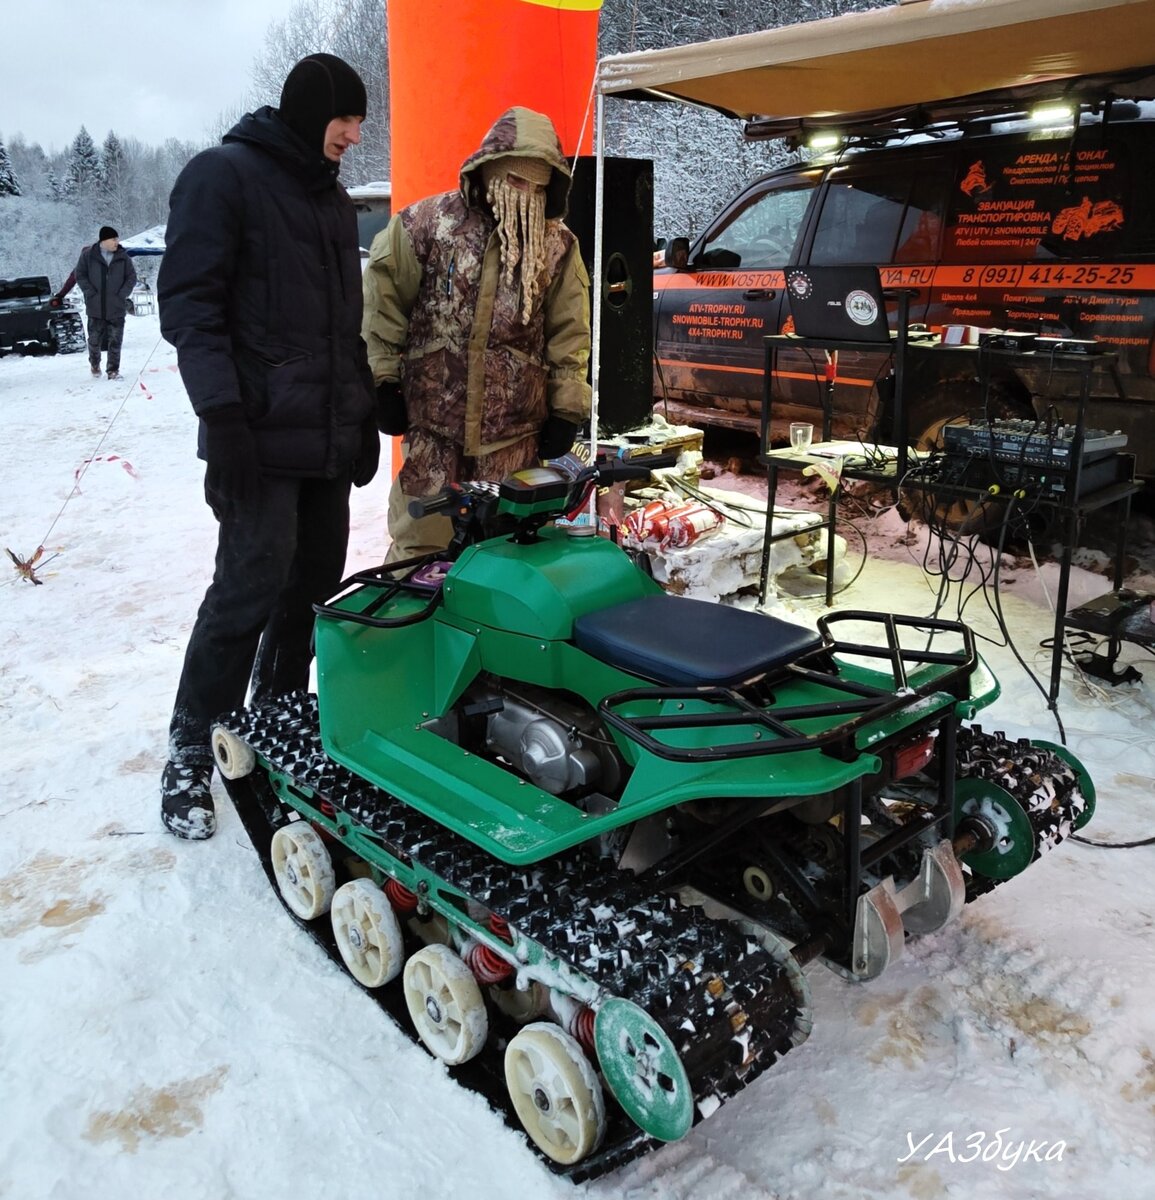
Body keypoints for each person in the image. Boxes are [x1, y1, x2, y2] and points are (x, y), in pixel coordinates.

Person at [156, 53, 379, 840]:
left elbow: (339, 330)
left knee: (312, 588)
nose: (355, 133)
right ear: (310, 108)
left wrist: (360, 415)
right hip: (253, 436)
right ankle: (190, 743)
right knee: (246, 588)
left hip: (322, 436)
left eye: (358, 120)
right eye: (345, 117)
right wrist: (221, 420)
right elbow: (191, 309)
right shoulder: (224, 176)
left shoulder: (331, 201)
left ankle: (277, 717)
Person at [362, 106, 592, 560]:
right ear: (489, 170)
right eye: (516, 181)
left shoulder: (557, 245)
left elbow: (571, 333)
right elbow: (382, 308)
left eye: (538, 185)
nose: (526, 194)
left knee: (506, 562)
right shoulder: (425, 225)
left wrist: (566, 409)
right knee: (418, 557)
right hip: (433, 434)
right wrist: (381, 381)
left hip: (515, 442)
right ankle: (405, 631)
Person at [74, 227, 136, 379]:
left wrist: (122, 294)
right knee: (94, 341)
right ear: (104, 240)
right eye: (113, 239)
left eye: (117, 239)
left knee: (115, 340)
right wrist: (89, 292)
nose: (117, 242)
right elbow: (79, 275)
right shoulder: (88, 256)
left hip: (116, 307)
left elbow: (131, 277)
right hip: (95, 307)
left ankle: (113, 370)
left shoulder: (123, 257)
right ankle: (95, 364)